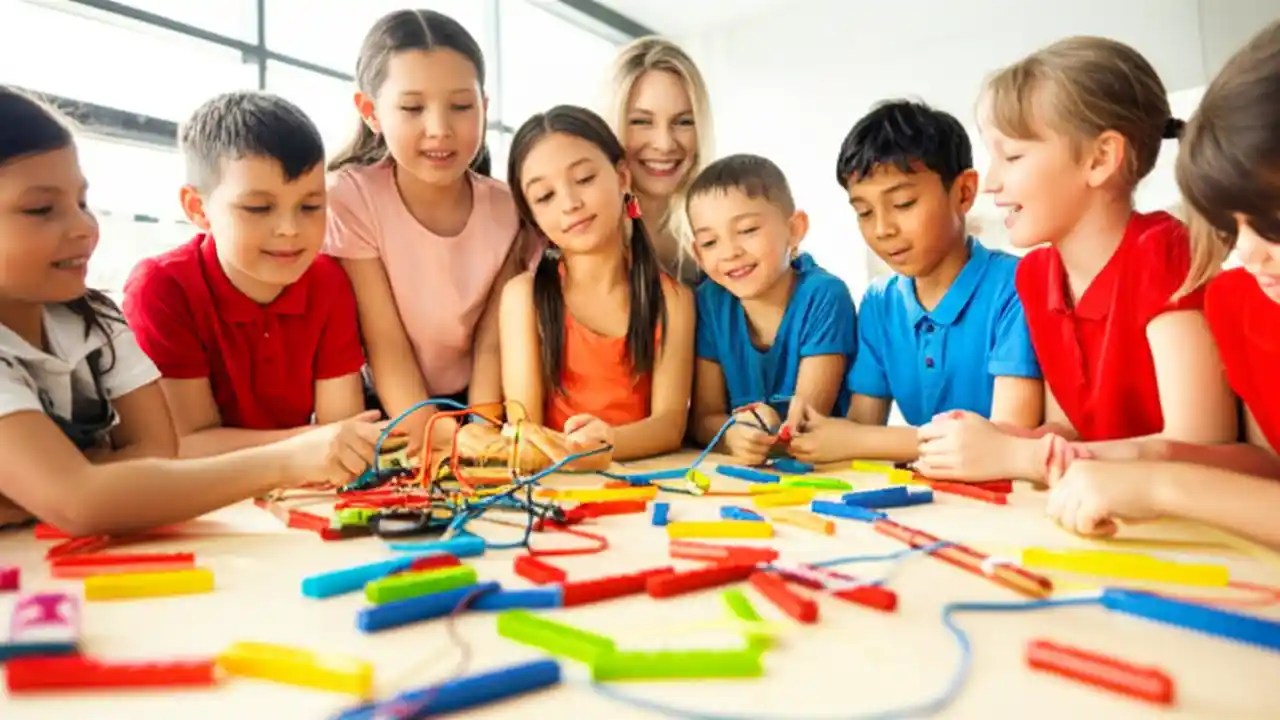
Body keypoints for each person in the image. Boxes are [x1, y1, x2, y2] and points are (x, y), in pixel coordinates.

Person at [0, 87, 374, 535]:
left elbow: (159, 454)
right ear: (198, 208)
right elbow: (84, 501)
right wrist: (289, 458)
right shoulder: (160, 285)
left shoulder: (92, 317)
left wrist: (57, 485)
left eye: (81, 202)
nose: (85, 226)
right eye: (41, 209)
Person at [916, 36, 1237, 481]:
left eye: (1011, 156)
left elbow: (1201, 442)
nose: (991, 182)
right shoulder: (1035, 275)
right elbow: (1068, 429)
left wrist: (1022, 458)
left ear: (1100, 158)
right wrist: (988, 439)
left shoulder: (1164, 253)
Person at [1046, 21, 1280, 549]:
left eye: (1274, 223)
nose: (1245, 252)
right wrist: (1140, 461)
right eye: (1229, 227)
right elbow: (1268, 467)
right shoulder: (1248, 302)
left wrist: (1164, 484)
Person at [123, 92, 378, 460]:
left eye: (311, 206)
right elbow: (183, 445)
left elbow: (344, 432)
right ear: (198, 208)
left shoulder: (327, 280)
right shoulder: (162, 287)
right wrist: (312, 442)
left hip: (286, 485)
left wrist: (325, 441)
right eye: (258, 208)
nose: (290, 229)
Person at [788, 100, 1041, 467]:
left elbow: (1005, 438)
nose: (882, 229)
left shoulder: (1017, 287)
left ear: (964, 192)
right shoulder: (880, 302)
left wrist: (858, 440)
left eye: (904, 203)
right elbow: (862, 426)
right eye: (864, 212)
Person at [325, 9, 526, 451]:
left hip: (482, 405)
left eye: (460, 106)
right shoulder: (350, 197)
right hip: (388, 408)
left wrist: (482, 427)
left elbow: (495, 340)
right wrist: (433, 435)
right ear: (370, 112)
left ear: (484, 107)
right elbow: (385, 340)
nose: (440, 129)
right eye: (413, 108)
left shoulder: (511, 207)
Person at [499, 105, 695, 460]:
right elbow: (524, 426)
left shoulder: (672, 299)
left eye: (585, 178)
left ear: (623, 177)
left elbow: (669, 424)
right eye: (545, 196)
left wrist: (607, 445)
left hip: (645, 483)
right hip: (555, 486)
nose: (571, 203)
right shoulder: (523, 297)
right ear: (533, 217)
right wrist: (573, 453)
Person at [686, 153, 857, 465]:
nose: (730, 252)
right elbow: (702, 418)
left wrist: (765, 431)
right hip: (747, 477)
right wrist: (730, 434)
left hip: (826, 473)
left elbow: (808, 423)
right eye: (710, 242)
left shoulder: (824, 296)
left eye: (748, 230)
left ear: (794, 229)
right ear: (697, 254)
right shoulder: (709, 302)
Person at [606, 36, 714, 285]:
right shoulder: (582, 234)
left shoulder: (718, 236)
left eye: (683, 122)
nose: (664, 144)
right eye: (641, 122)